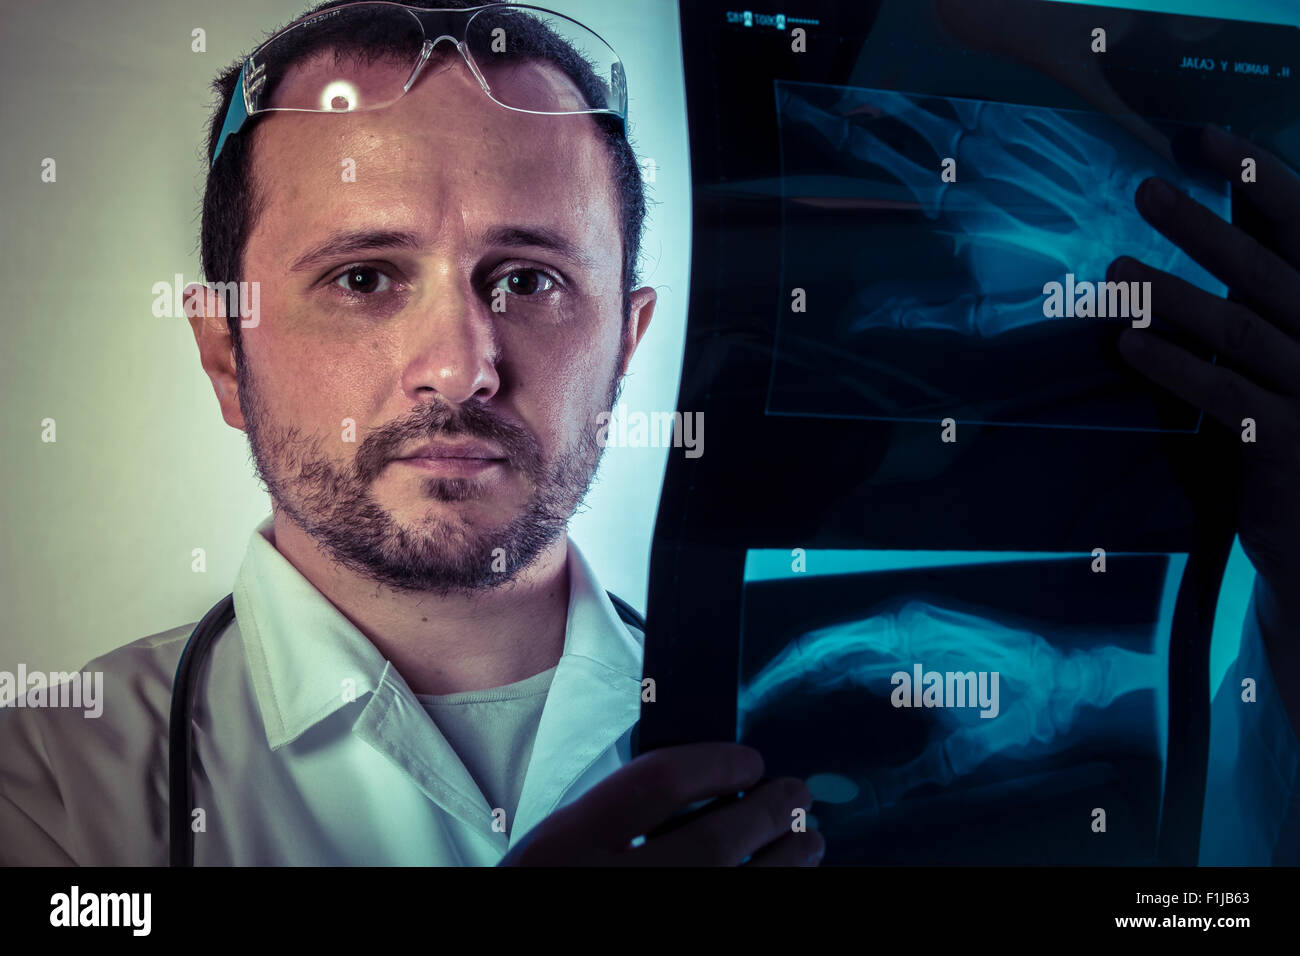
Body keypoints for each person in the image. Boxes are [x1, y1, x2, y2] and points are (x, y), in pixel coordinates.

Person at [0, 0, 821, 867]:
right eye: (362, 277)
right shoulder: (46, 789)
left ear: (625, 345)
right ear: (226, 358)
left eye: (530, 281)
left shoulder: (795, 747)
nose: (461, 369)